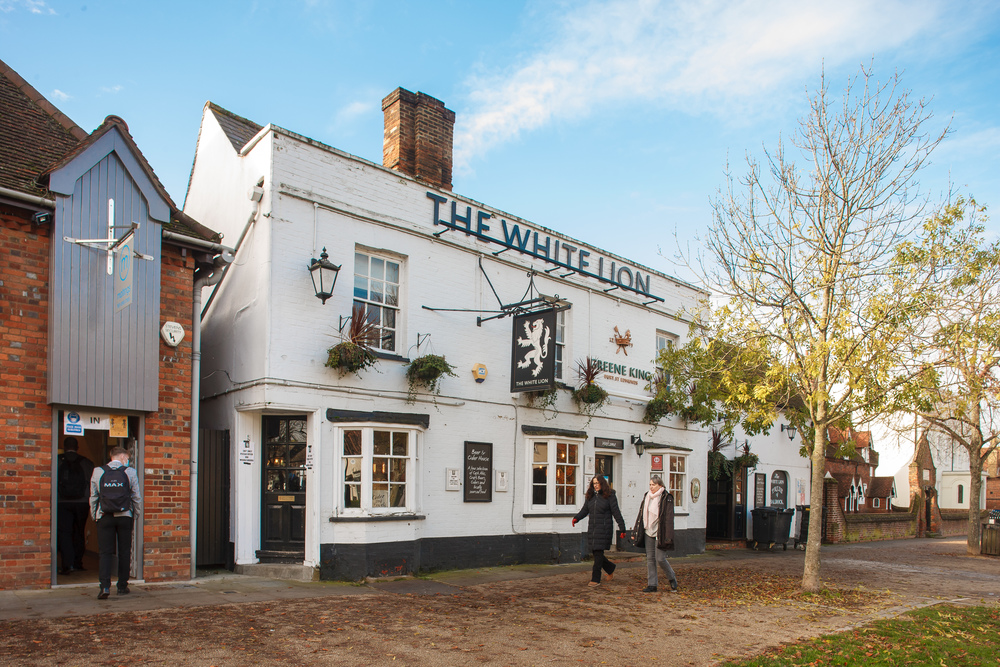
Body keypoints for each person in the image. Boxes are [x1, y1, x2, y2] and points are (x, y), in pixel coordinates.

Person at [90, 446, 142, 599]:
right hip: (125, 515)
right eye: (127, 458)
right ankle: (122, 586)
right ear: (122, 457)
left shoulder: (97, 471)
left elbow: (93, 496)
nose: (127, 460)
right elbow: (136, 496)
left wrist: (95, 515)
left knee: (105, 552)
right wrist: (135, 514)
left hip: (105, 515)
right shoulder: (130, 472)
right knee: (125, 552)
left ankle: (105, 586)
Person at [572, 475, 627, 587]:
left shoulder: (610, 496)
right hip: (592, 529)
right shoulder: (590, 496)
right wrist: (576, 518)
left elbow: (616, 512)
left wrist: (622, 528)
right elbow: (585, 510)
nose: (596, 485)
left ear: (602, 483)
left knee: (598, 554)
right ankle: (610, 568)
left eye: (598, 483)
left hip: (604, 529)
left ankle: (595, 579)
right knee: (596, 553)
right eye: (594, 483)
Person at [631, 475, 678, 593]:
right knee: (650, 558)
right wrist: (635, 530)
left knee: (660, 558)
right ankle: (652, 584)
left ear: (660, 485)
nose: (651, 487)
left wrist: (668, 536)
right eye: (650, 485)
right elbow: (641, 514)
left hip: (660, 532)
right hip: (648, 530)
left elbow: (668, 519)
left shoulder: (666, 498)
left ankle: (671, 577)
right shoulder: (647, 496)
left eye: (654, 485)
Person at [57, 437, 94, 574]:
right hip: (82, 502)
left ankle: (68, 564)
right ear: (77, 447)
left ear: (64, 447)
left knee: (65, 533)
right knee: (79, 532)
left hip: (62, 502)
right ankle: (78, 562)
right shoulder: (86, 462)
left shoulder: (57, 461)